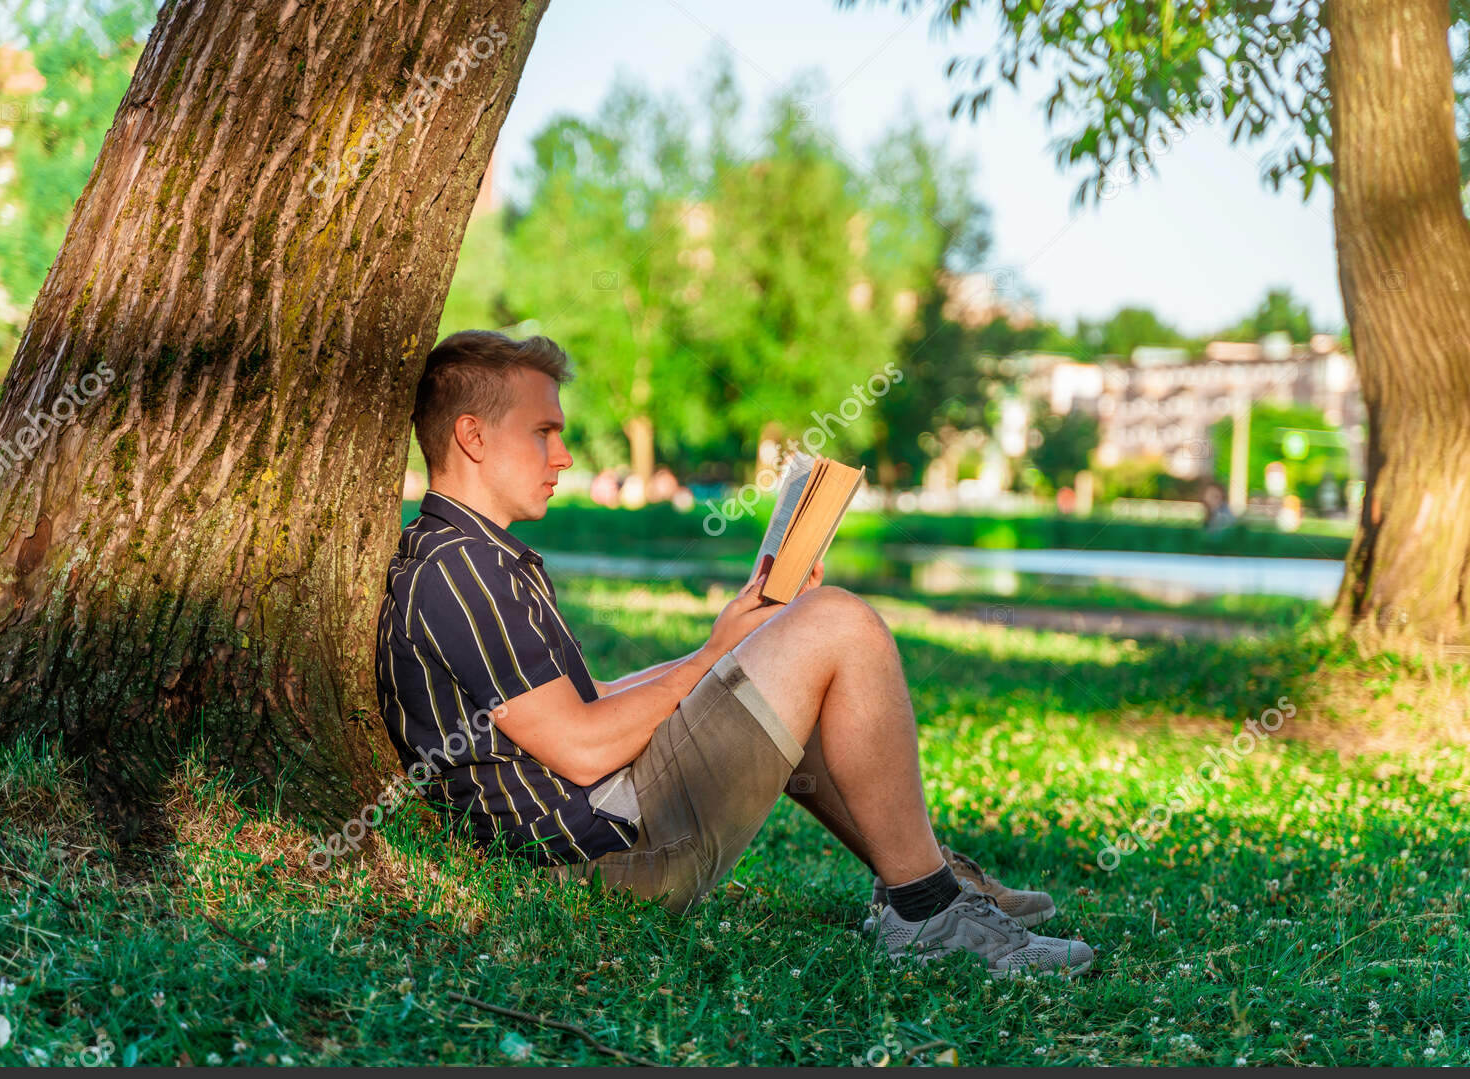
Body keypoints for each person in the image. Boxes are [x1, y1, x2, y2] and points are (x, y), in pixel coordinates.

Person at [375, 330, 1094, 977]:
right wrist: (714, 658)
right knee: (839, 620)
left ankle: (921, 884)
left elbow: (586, 701)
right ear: (472, 435)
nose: (562, 454)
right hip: (606, 859)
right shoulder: (458, 572)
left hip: (611, 819)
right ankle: (931, 909)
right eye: (543, 432)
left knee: (793, 647)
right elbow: (584, 747)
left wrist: (728, 644)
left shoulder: (476, 558)